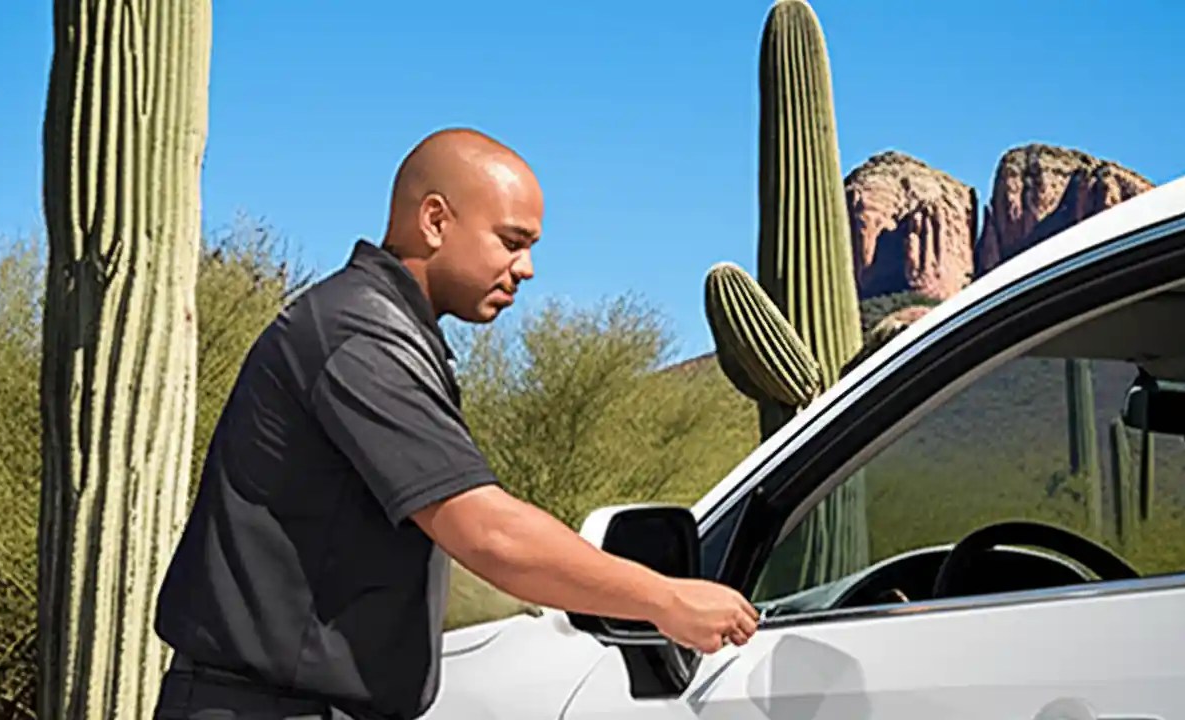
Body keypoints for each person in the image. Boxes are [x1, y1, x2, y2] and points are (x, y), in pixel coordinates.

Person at [151, 127, 759, 720]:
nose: (526, 269)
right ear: (436, 221)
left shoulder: (385, 331)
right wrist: (665, 599)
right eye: (512, 241)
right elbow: (485, 531)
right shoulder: (358, 338)